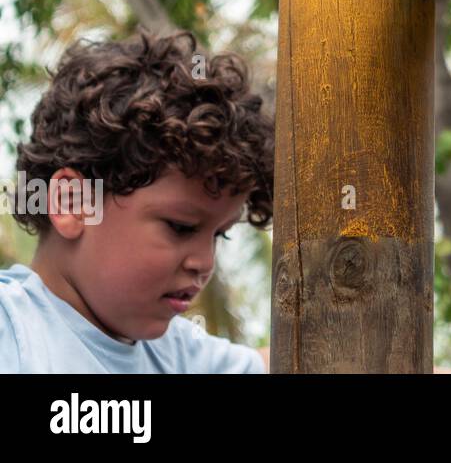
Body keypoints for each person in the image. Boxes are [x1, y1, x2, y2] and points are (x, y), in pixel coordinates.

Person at [1, 31, 274, 372]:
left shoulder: (176, 353)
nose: (204, 263)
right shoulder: (12, 333)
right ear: (72, 203)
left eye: (220, 234)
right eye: (180, 227)